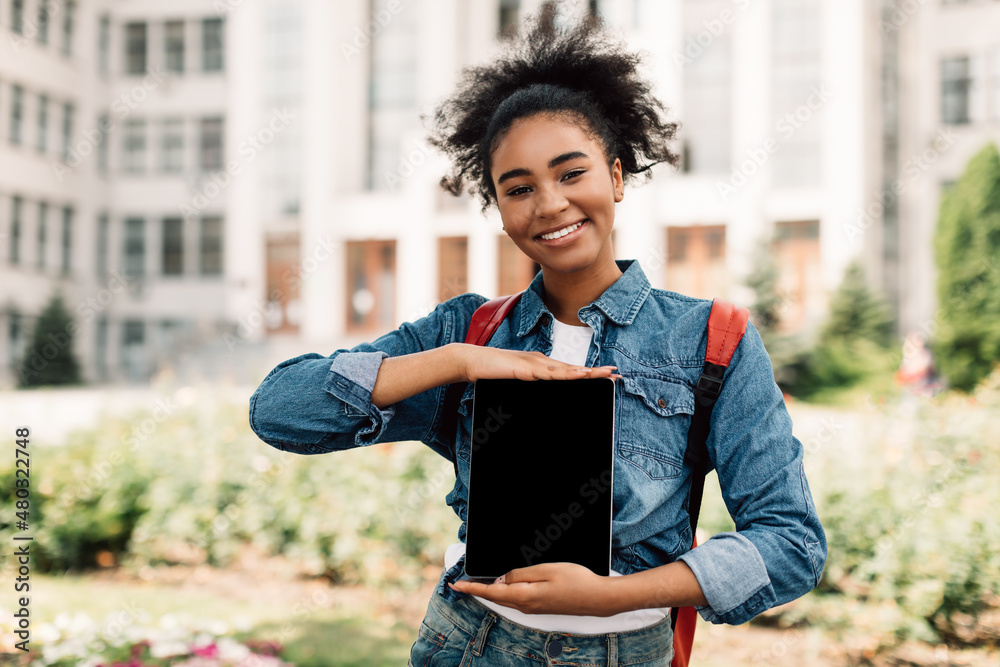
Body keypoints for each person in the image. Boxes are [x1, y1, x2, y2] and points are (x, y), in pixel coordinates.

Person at [248, 3, 827, 664]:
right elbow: (279, 411)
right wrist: (460, 361)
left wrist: (610, 595)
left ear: (615, 175)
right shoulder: (468, 330)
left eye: (571, 172)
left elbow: (791, 542)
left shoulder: (712, 340)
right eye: (518, 187)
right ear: (498, 208)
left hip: (624, 649)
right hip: (469, 641)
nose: (549, 203)